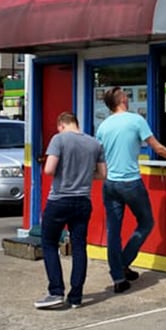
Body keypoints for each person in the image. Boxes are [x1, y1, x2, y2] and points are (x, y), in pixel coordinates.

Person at [96, 86, 166, 293]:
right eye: (125, 95)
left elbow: (98, 155)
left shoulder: (103, 126)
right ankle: (123, 263)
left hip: (109, 184)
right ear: (121, 100)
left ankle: (119, 276)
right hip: (130, 182)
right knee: (146, 222)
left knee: (113, 232)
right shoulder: (136, 120)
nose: (127, 97)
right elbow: (158, 148)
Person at [34, 112, 106, 310]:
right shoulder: (95, 143)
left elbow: (49, 169)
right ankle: (76, 296)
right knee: (79, 247)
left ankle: (56, 291)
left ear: (61, 125)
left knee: (49, 243)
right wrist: (82, 175)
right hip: (83, 201)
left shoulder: (59, 139)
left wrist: (66, 173)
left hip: (59, 200)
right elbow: (102, 174)